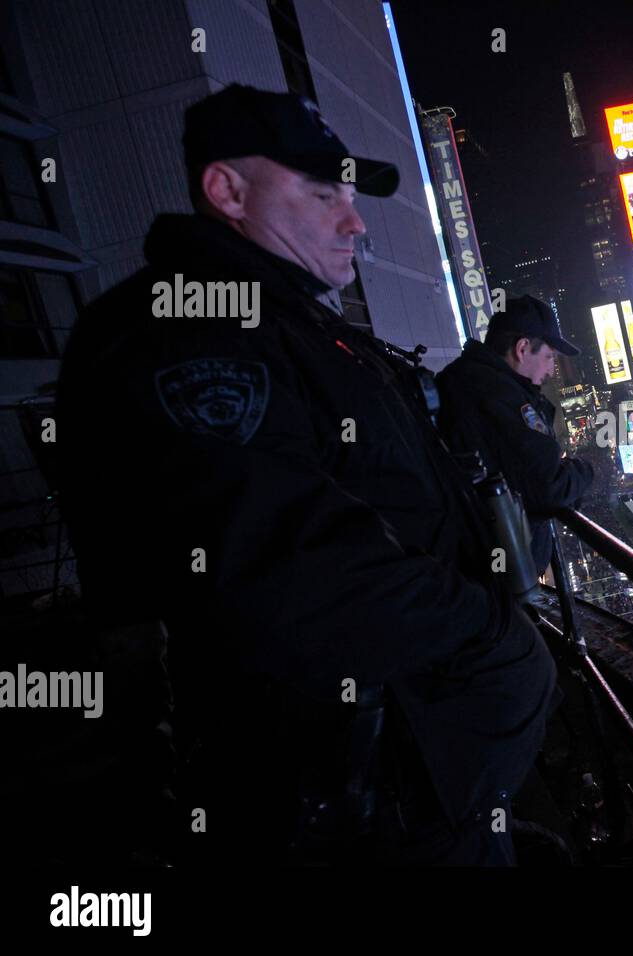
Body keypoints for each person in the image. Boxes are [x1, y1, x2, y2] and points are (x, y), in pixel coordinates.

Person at [55, 85, 555, 866]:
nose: (355, 222)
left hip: (408, 762)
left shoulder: (291, 323)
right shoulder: (188, 327)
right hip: (346, 794)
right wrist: (495, 637)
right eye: (324, 195)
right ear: (227, 190)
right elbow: (290, 572)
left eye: (351, 197)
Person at [437, 296, 594, 577]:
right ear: (522, 349)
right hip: (491, 575)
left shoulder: (465, 378)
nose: (550, 370)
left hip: (468, 561)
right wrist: (587, 471)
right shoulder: (498, 394)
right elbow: (550, 488)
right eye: (549, 357)